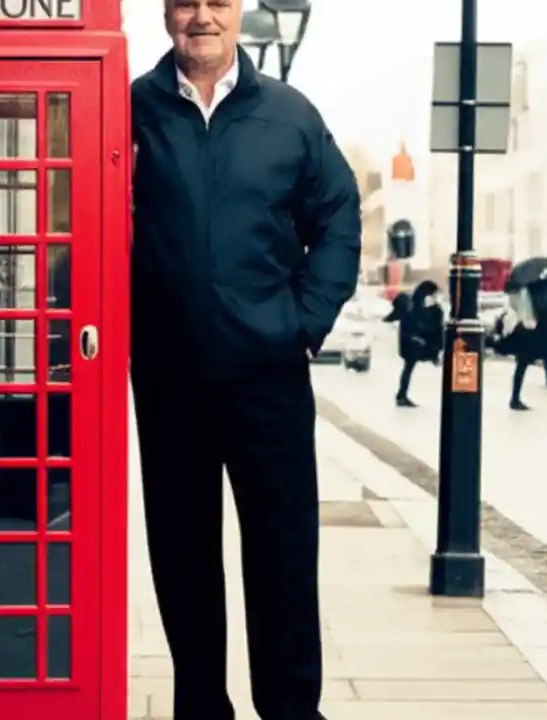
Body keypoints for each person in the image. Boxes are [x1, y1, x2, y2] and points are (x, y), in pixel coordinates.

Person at [130, 0, 361, 717]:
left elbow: (339, 219)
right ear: (167, 14)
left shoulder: (290, 115)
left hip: (268, 373)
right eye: (186, 4)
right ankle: (201, 705)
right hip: (168, 374)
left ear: (239, 14)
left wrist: (306, 322)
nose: (201, 18)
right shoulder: (129, 107)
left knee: (283, 551)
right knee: (181, 553)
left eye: (217, 4)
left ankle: (291, 708)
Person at [383, 281, 444, 407]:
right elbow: (417, 323)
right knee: (409, 367)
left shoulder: (416, 302)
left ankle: (402, 394)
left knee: (408, 367)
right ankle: (401, 395)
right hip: (412, 341)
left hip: (411, 341)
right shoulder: (414, 305)